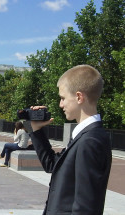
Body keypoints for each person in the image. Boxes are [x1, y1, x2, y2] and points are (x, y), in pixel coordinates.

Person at [28, 65, 112, 215]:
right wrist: (37, 129)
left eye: (63, 98)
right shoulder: (85, 136)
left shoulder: (90, 141)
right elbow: (52, 165)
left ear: (79, 97)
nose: (61, 104)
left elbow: (86, 208)